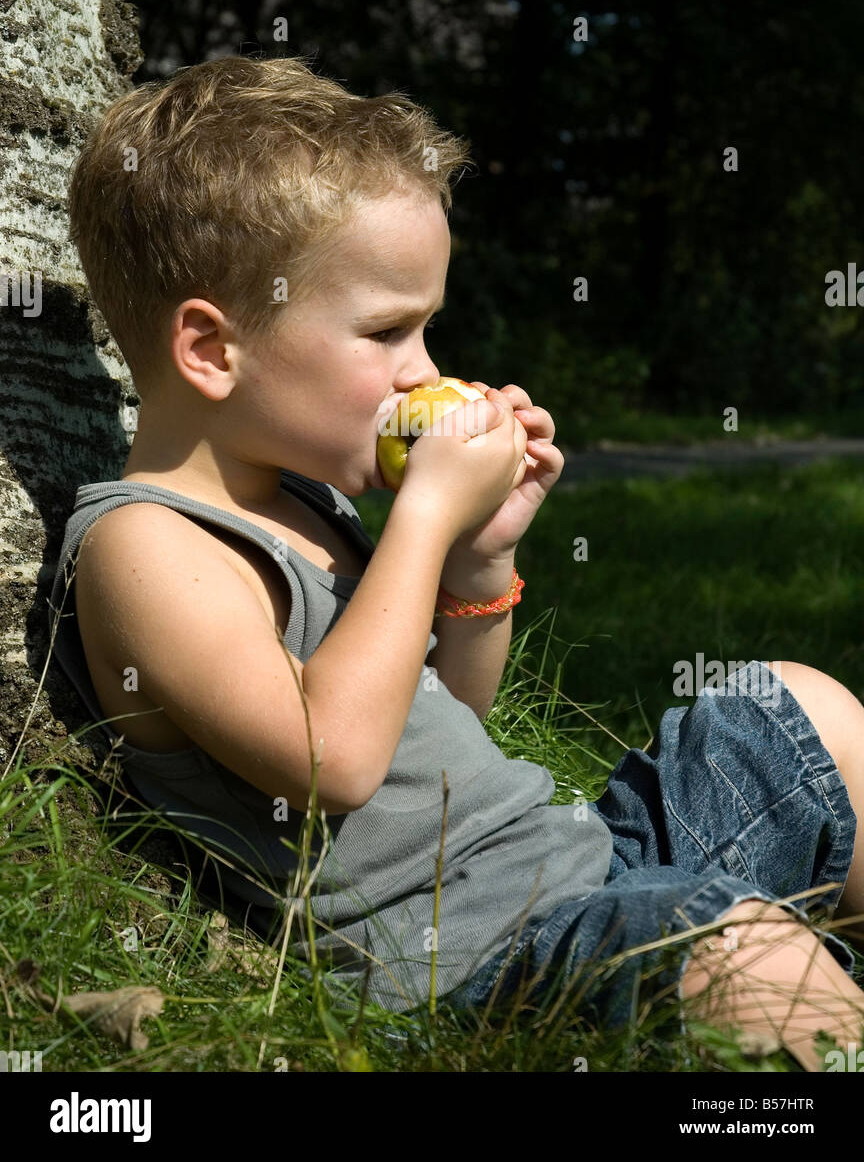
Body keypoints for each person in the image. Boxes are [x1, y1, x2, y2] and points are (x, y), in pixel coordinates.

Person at [48, 54, 864, 1072]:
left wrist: (479, 562)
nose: (426, 370)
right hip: (477, 969)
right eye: (388, 329)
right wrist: (423, 521)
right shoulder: (144, 545)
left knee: (800, 709)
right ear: (213, 349)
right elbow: (331, 761)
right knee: (746, 961)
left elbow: (444, 730)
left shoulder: (313, 500)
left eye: (426, 325)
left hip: (594, 873)